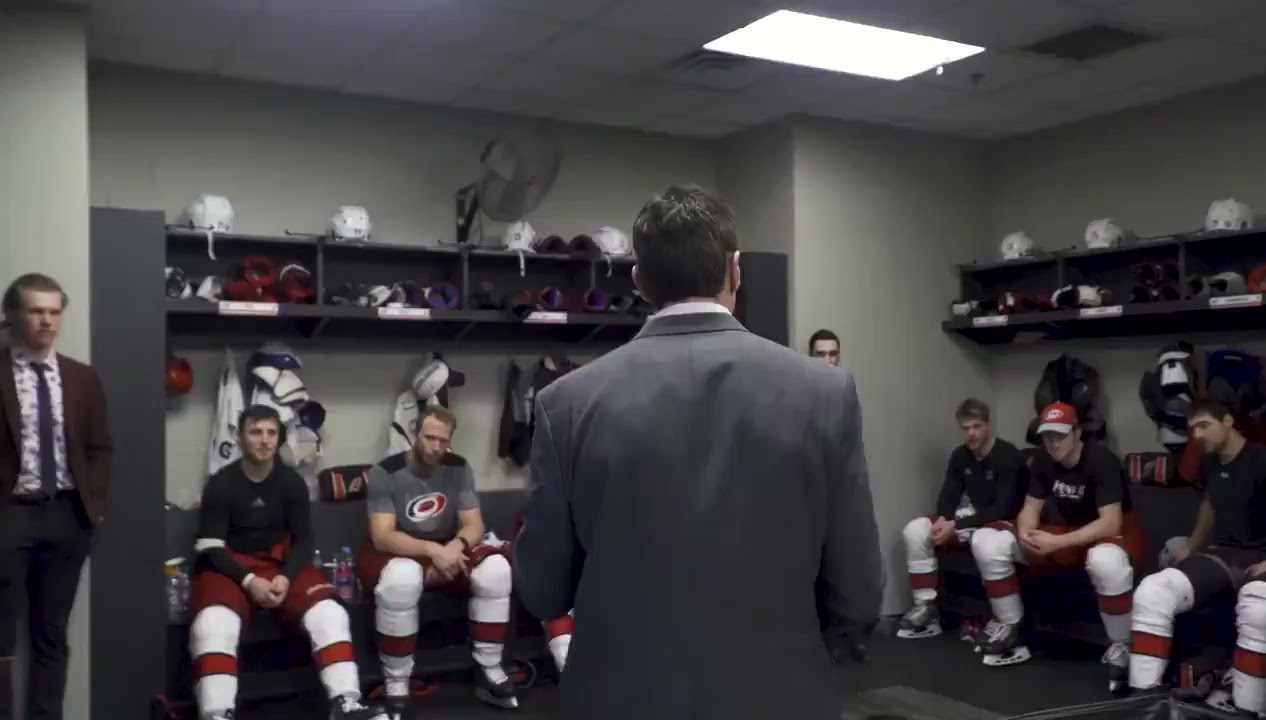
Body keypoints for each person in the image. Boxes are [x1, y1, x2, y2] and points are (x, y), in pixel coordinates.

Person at [513, 185, 883, 720]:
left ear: (639, 282)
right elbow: (859, 594)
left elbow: (543, 589)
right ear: (736, 271)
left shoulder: (564, 404)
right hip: (779, 694)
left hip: (621, 698)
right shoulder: (825, 393)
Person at [356, 404, 575, 718]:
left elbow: (474, 525)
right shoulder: (386, 471)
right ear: (415, 435)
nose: (436, 447)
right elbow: (382, 536)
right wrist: (433, 551)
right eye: (429, 438)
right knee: (401, 580)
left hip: (449, 547)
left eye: (443, 440)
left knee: (497, 570)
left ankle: (489, 669)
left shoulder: (458, 467)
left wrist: (455, 546)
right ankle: (397, 682)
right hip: (399, 552)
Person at [188, 405, 387, 720]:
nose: (264, 440)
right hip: (230, 568)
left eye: (271, 433)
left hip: (279, 564)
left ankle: (346, 704)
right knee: (213, 623)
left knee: (329, 612)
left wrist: (284, 577)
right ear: (240, 439)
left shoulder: (291, 482)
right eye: (255, 432)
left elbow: (304, 540)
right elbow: (210, 546)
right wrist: (249, 582)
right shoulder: (221, 484)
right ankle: (215, 712)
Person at [970, 402, 1145, 693]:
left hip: (1116, 534)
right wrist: (1027, 533)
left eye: (1060, 435)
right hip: (1071, 533)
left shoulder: (1102, 460)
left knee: (1105, 561)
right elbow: (1030, 508)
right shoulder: (1042, 460)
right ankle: (1010, 626)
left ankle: (1122, 646)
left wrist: (1055, 543)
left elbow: (1111, 523)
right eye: (1048, 436)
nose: (1054, 443)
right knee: (988, 540)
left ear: (1077, 433)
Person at [0, 273, 112, 720]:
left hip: (68, 516)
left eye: (53, 311)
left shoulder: (82, 378)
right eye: (35, 311)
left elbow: (100, 447)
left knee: (52, 635)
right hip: (9, 516)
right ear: (12, 315)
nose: (47, 321)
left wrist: (94, 509)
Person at [1128, 399, 1266, 715]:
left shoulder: (1265, 460)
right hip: (1224, 554)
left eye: (1204, 425)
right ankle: (1145, 701)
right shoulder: (1210, 462)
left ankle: (1249, 708)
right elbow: (1210, 505)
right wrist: (1191, 548)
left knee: (1259, 602)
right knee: (1154, 591)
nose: (1197, 435)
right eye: (1192, 428)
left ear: (1228, 421)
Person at [897, 398, 1026, 640]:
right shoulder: (960, 455)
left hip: (1003, 522)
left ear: (988, 425)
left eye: (976, 427)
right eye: (966, 428)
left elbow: (1003, 507)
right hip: (970, 519)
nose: (971, 434)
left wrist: (956, 524)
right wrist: (944, 522)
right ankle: (926, 607)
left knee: (985, 541)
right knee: (915, 530)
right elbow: (948, 496)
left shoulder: (1007, 455)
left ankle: (1009, 624)